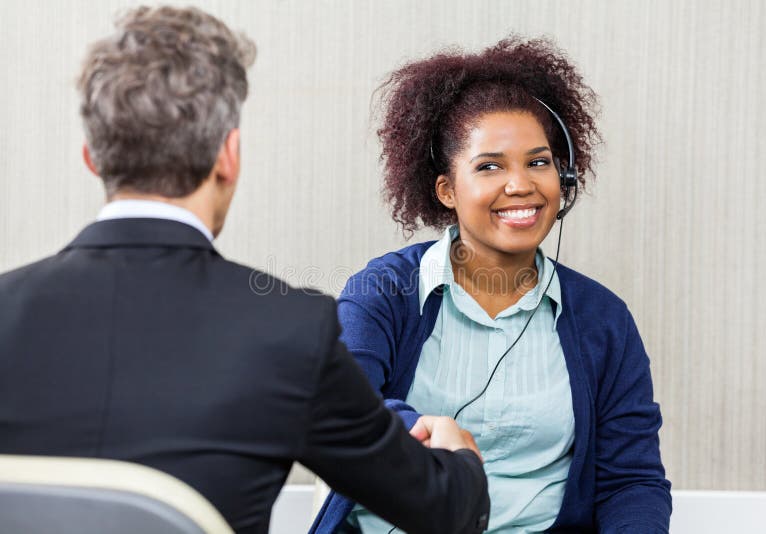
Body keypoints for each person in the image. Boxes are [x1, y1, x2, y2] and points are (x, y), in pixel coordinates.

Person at [0, 7, 490, 534]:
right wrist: (460, 461)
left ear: (93, 158)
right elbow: (440, 508)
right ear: (228, 156)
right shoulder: (289, 330)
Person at [312, 38, 671, 533]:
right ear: (446, 190)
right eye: (490, 166)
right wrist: (421, 428)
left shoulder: (603, 319)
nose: (521, 184)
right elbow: (343, 415)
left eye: (539, 162)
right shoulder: (383, 291)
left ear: (563, 176)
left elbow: (631, 481)